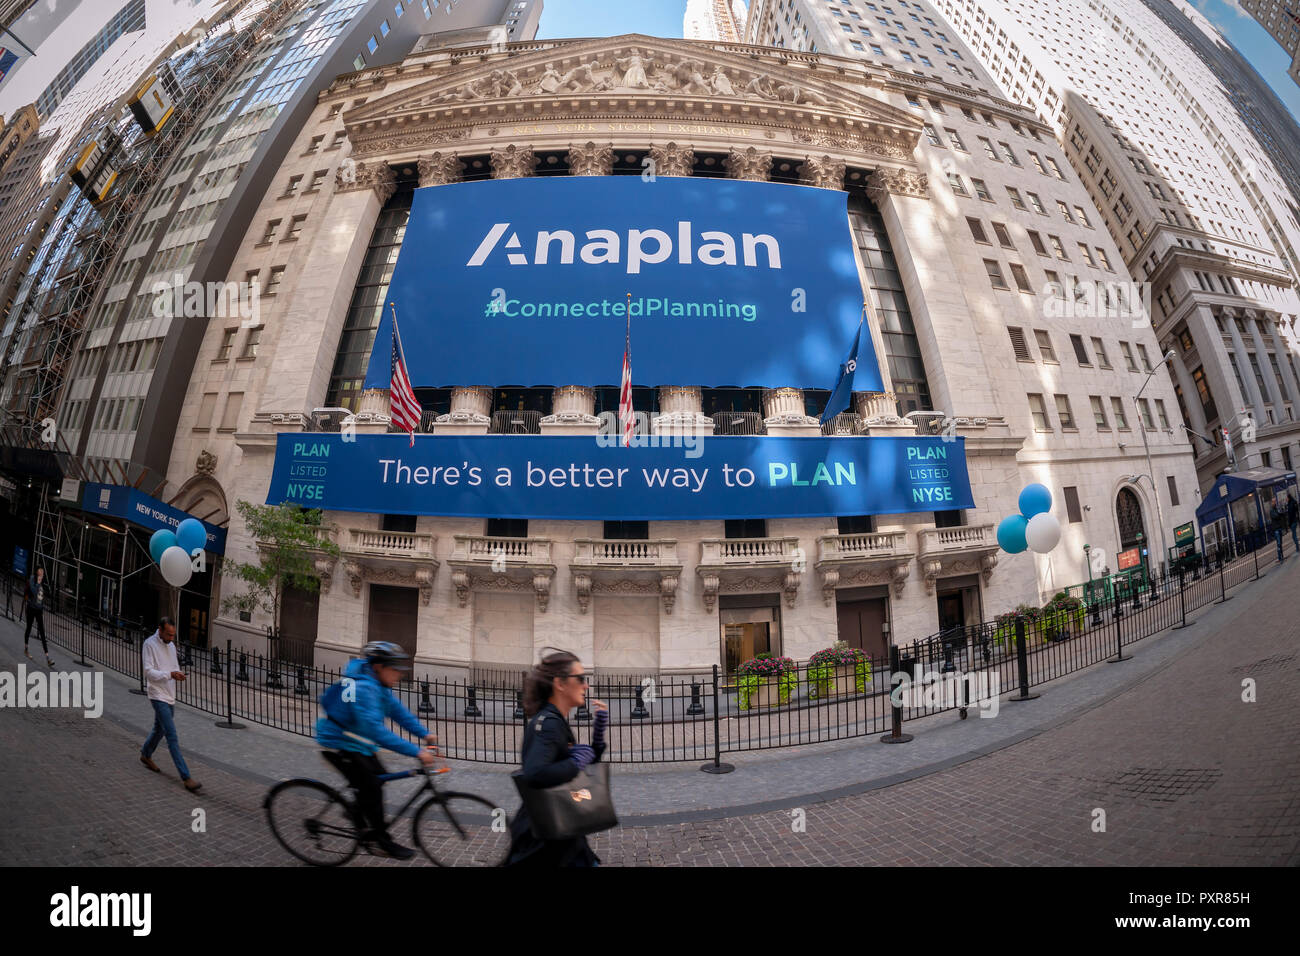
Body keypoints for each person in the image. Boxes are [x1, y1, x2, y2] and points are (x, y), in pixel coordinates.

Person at [315, 641, 436, 860]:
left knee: (378, 779)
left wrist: (425, 734)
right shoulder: (363, 688)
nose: (400, 674)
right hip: (339, 742)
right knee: (371, 785)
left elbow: (400, 713)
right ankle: (381, 841)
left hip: (357, 742)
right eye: (395, 668)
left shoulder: (379, 686)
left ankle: (356, 810)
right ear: (378, 666)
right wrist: (417, 752)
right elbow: (376, 732)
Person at [506, 649, 609, 868]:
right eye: (580, 678)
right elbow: (536, 773)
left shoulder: (554, 719)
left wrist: (598, 732)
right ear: (560, 684)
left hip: (560, 825)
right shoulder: (548, 723)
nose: (586, 685)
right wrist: (575, 762)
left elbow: (584, 760)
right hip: (545, 836)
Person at [140, 617, 201, 792]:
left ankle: (145, 753)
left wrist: (179, 674)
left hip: (169, 694)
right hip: (157, 694)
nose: (171, 638)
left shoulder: (172, 645)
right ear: (160, 629)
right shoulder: (149, 644)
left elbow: (174, 667)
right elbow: (148, 672)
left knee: (159, 729)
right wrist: (170, 675)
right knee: (171, 735)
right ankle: (186, 777)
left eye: (173, 635)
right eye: (168, 634)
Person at [23, 567, 54, 667]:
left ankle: (48, 658)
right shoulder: (32, 580)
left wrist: (42, 608)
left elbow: (41, 597)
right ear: (37, 572)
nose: (42, 574)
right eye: (40, 572)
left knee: (42, 632)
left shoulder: (42, 584)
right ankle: (26, 649)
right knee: (28, 628)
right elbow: (31, 591)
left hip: (38, 610)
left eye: (43, 573)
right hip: (31, 608)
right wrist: (38, 582)